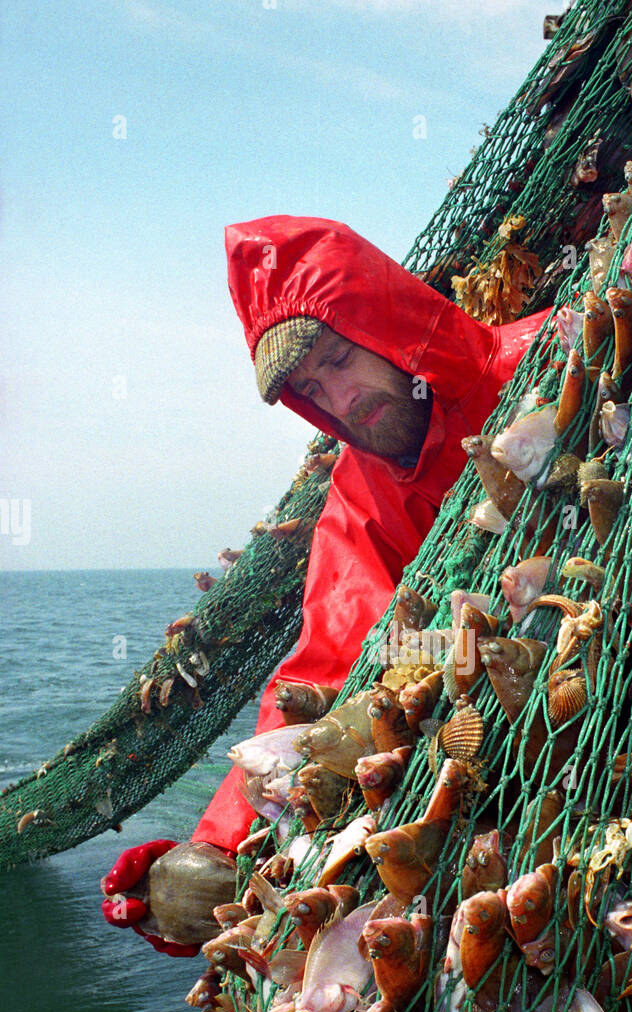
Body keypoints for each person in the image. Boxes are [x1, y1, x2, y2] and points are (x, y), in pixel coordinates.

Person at [101, 215, 550, 951]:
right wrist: (219, 846)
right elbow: (321, 669)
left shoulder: (551, 351)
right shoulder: (362, 495)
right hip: (516, 713)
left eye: (340, 360)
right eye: (313, 390)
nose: (341, 401)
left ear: (391, 324)